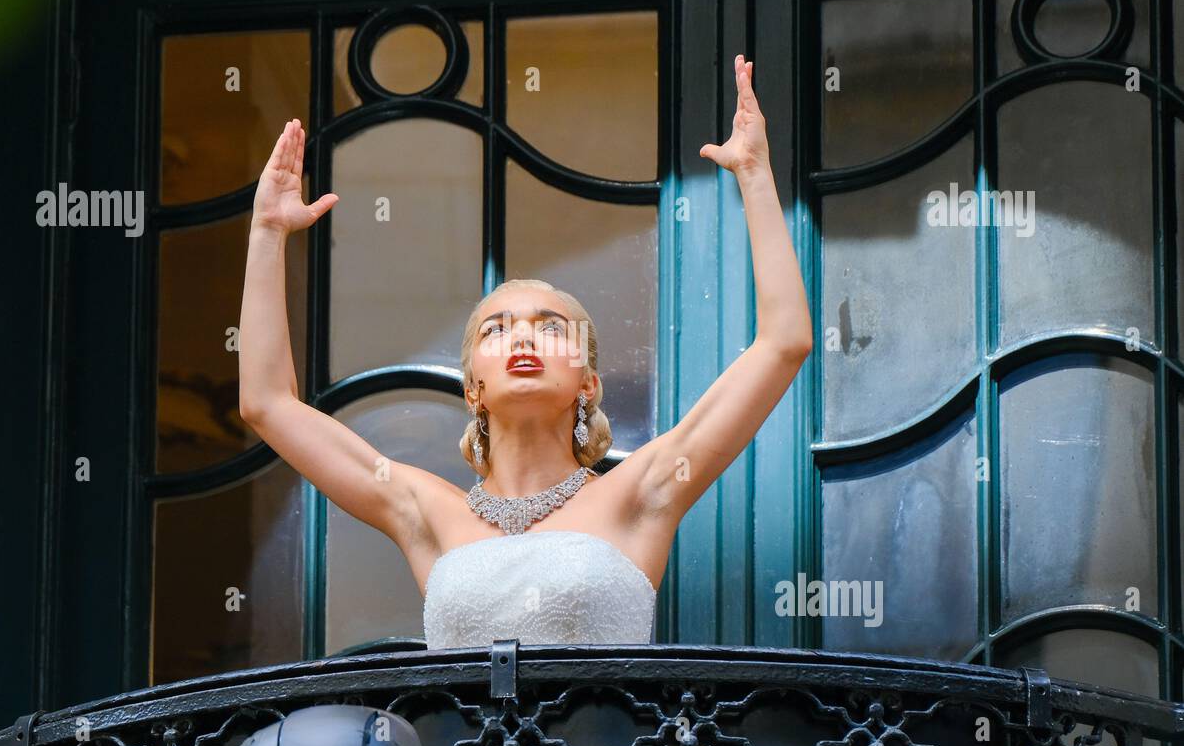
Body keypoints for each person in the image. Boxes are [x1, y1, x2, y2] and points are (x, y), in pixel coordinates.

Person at [239, 54, 812, 650]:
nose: (522, 338)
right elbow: (267, 404)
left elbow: (784, 341)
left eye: (550, 327)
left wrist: (754, 174)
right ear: (472, 389)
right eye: (496, 329)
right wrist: (266, 234)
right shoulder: (424, 510)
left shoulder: (643, 490)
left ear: (588, 382)